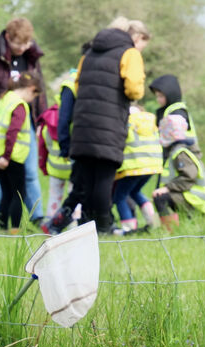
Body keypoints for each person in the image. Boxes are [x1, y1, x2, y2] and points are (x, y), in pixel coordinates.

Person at [47, 18, 150, 235]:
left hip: (83, 125)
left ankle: (86, 226)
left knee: (87, 179)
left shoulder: (88, 54)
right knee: (104, 178)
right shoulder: (129, 53)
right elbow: (134, 90)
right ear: (132, 35)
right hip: (109, 125)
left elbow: (77, 85)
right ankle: (103, 227)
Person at [0, 17, 47, 225]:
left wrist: (41, 121)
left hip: (26, 123)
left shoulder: (32, 57)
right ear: (7, 37)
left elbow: (40, 91)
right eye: (17, 44)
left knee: (29, 173)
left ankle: (37, 218)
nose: (22, 48)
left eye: (26, 44)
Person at [149, 74, 205, 228]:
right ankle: (166, 227)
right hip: (180, 158)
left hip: (186, 161)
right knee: (160, 192)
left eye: (161, 96)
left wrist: (167, 188)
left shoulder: (177, 112)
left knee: (162, 195)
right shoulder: (170, 110)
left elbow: (189, 176)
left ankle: (171, 231)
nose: (158, 99)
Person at [0, 73, 42, 233]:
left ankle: (3, 228)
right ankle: (15, 230)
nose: (33, 99)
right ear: (31, 89)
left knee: (6, 193)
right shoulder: (19, 105)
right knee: (19, 194)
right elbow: (13, 132)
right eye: (34, 95)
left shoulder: (5, 98)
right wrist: (6, 156)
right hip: (11, 157)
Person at [110, 105, 163, 235]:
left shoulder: (127, 121)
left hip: (134, 166)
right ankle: (154, 223)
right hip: (153, 165)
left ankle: (129, 229)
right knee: (135, 191)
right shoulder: (149, 121)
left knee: (120, 196)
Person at [37, 68, 77, 229]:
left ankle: (49, 223)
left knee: (54, 196)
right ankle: (74, 227)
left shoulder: (48, 117)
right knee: (74, 196)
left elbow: (42, 146)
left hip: (54, 166)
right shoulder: (75, 117)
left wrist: (44, 167)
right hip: (72, 166)